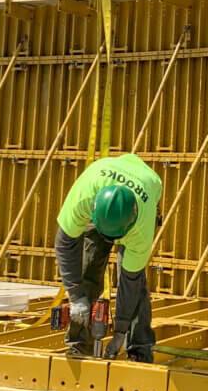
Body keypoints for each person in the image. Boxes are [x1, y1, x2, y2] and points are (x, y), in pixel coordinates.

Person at [54, 152, 162, 362]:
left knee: (135, 284)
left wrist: (120, 330)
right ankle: (79, 345)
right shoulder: (84, 198)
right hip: (103, 189)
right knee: (87, 266)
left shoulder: (141, 229)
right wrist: (76, 297)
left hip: (147, 186)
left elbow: (129, 281)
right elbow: (65, 244)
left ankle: (139, 349)